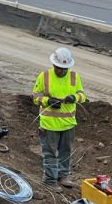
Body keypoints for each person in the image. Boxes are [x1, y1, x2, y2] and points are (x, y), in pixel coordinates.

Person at [32, 46, 86, 188]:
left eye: (64, 68)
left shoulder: (74, 77)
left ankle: (63, 176)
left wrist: (73, 97)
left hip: (68, 123)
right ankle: (49, 180)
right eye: (58, 68)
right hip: (49, 124)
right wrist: (47, 101)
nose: (61, 71)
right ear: (54, 64)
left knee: (65, 151)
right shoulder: (45, 76)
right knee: (50, 153)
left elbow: (82, 96)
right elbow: (35, 96)